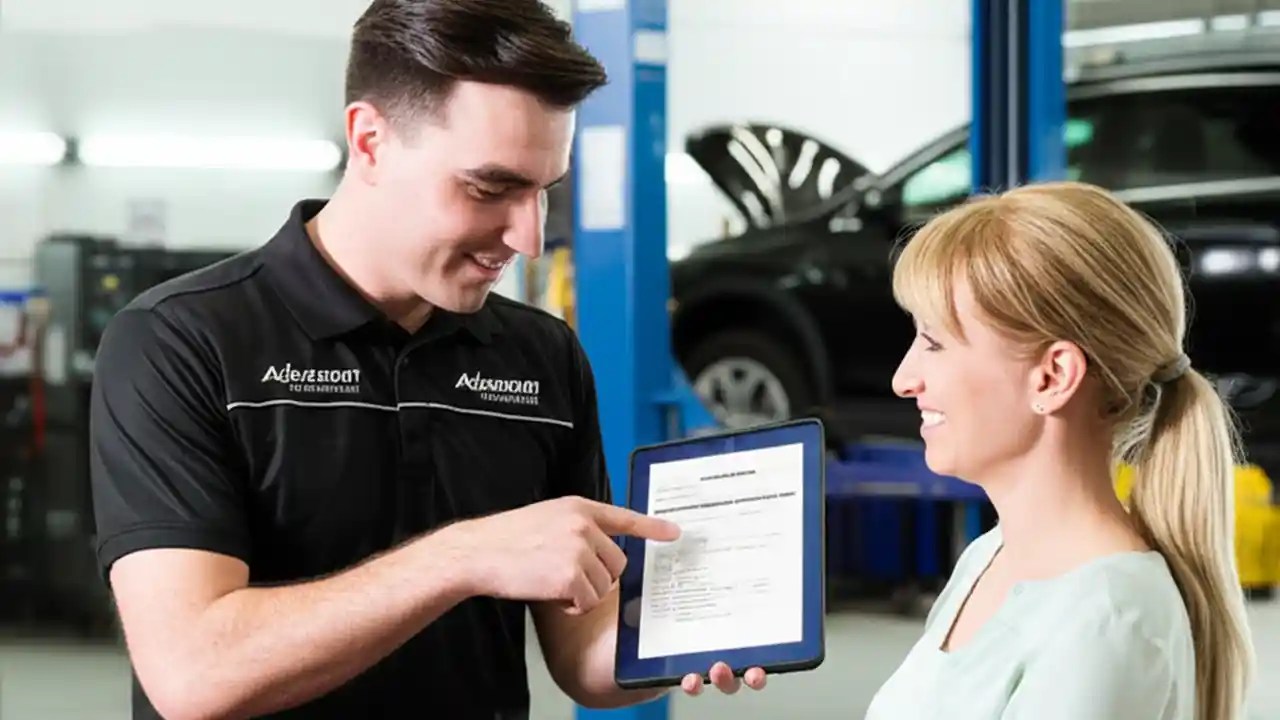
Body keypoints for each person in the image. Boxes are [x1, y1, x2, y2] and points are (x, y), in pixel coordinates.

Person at [87, 2, 766, 718]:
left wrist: (696, 628)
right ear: (371, 140)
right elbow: (196, 674)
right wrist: (462, 557)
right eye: (490, 188)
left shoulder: (540, 357)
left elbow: (581, 656)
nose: (528, 237)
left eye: (544, 191)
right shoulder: (180, 343)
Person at [864, 181, 1255, 720]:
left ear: (1052, 377)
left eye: (934, 343)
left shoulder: (1108, 621)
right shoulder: (990, 557)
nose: (904, 379)